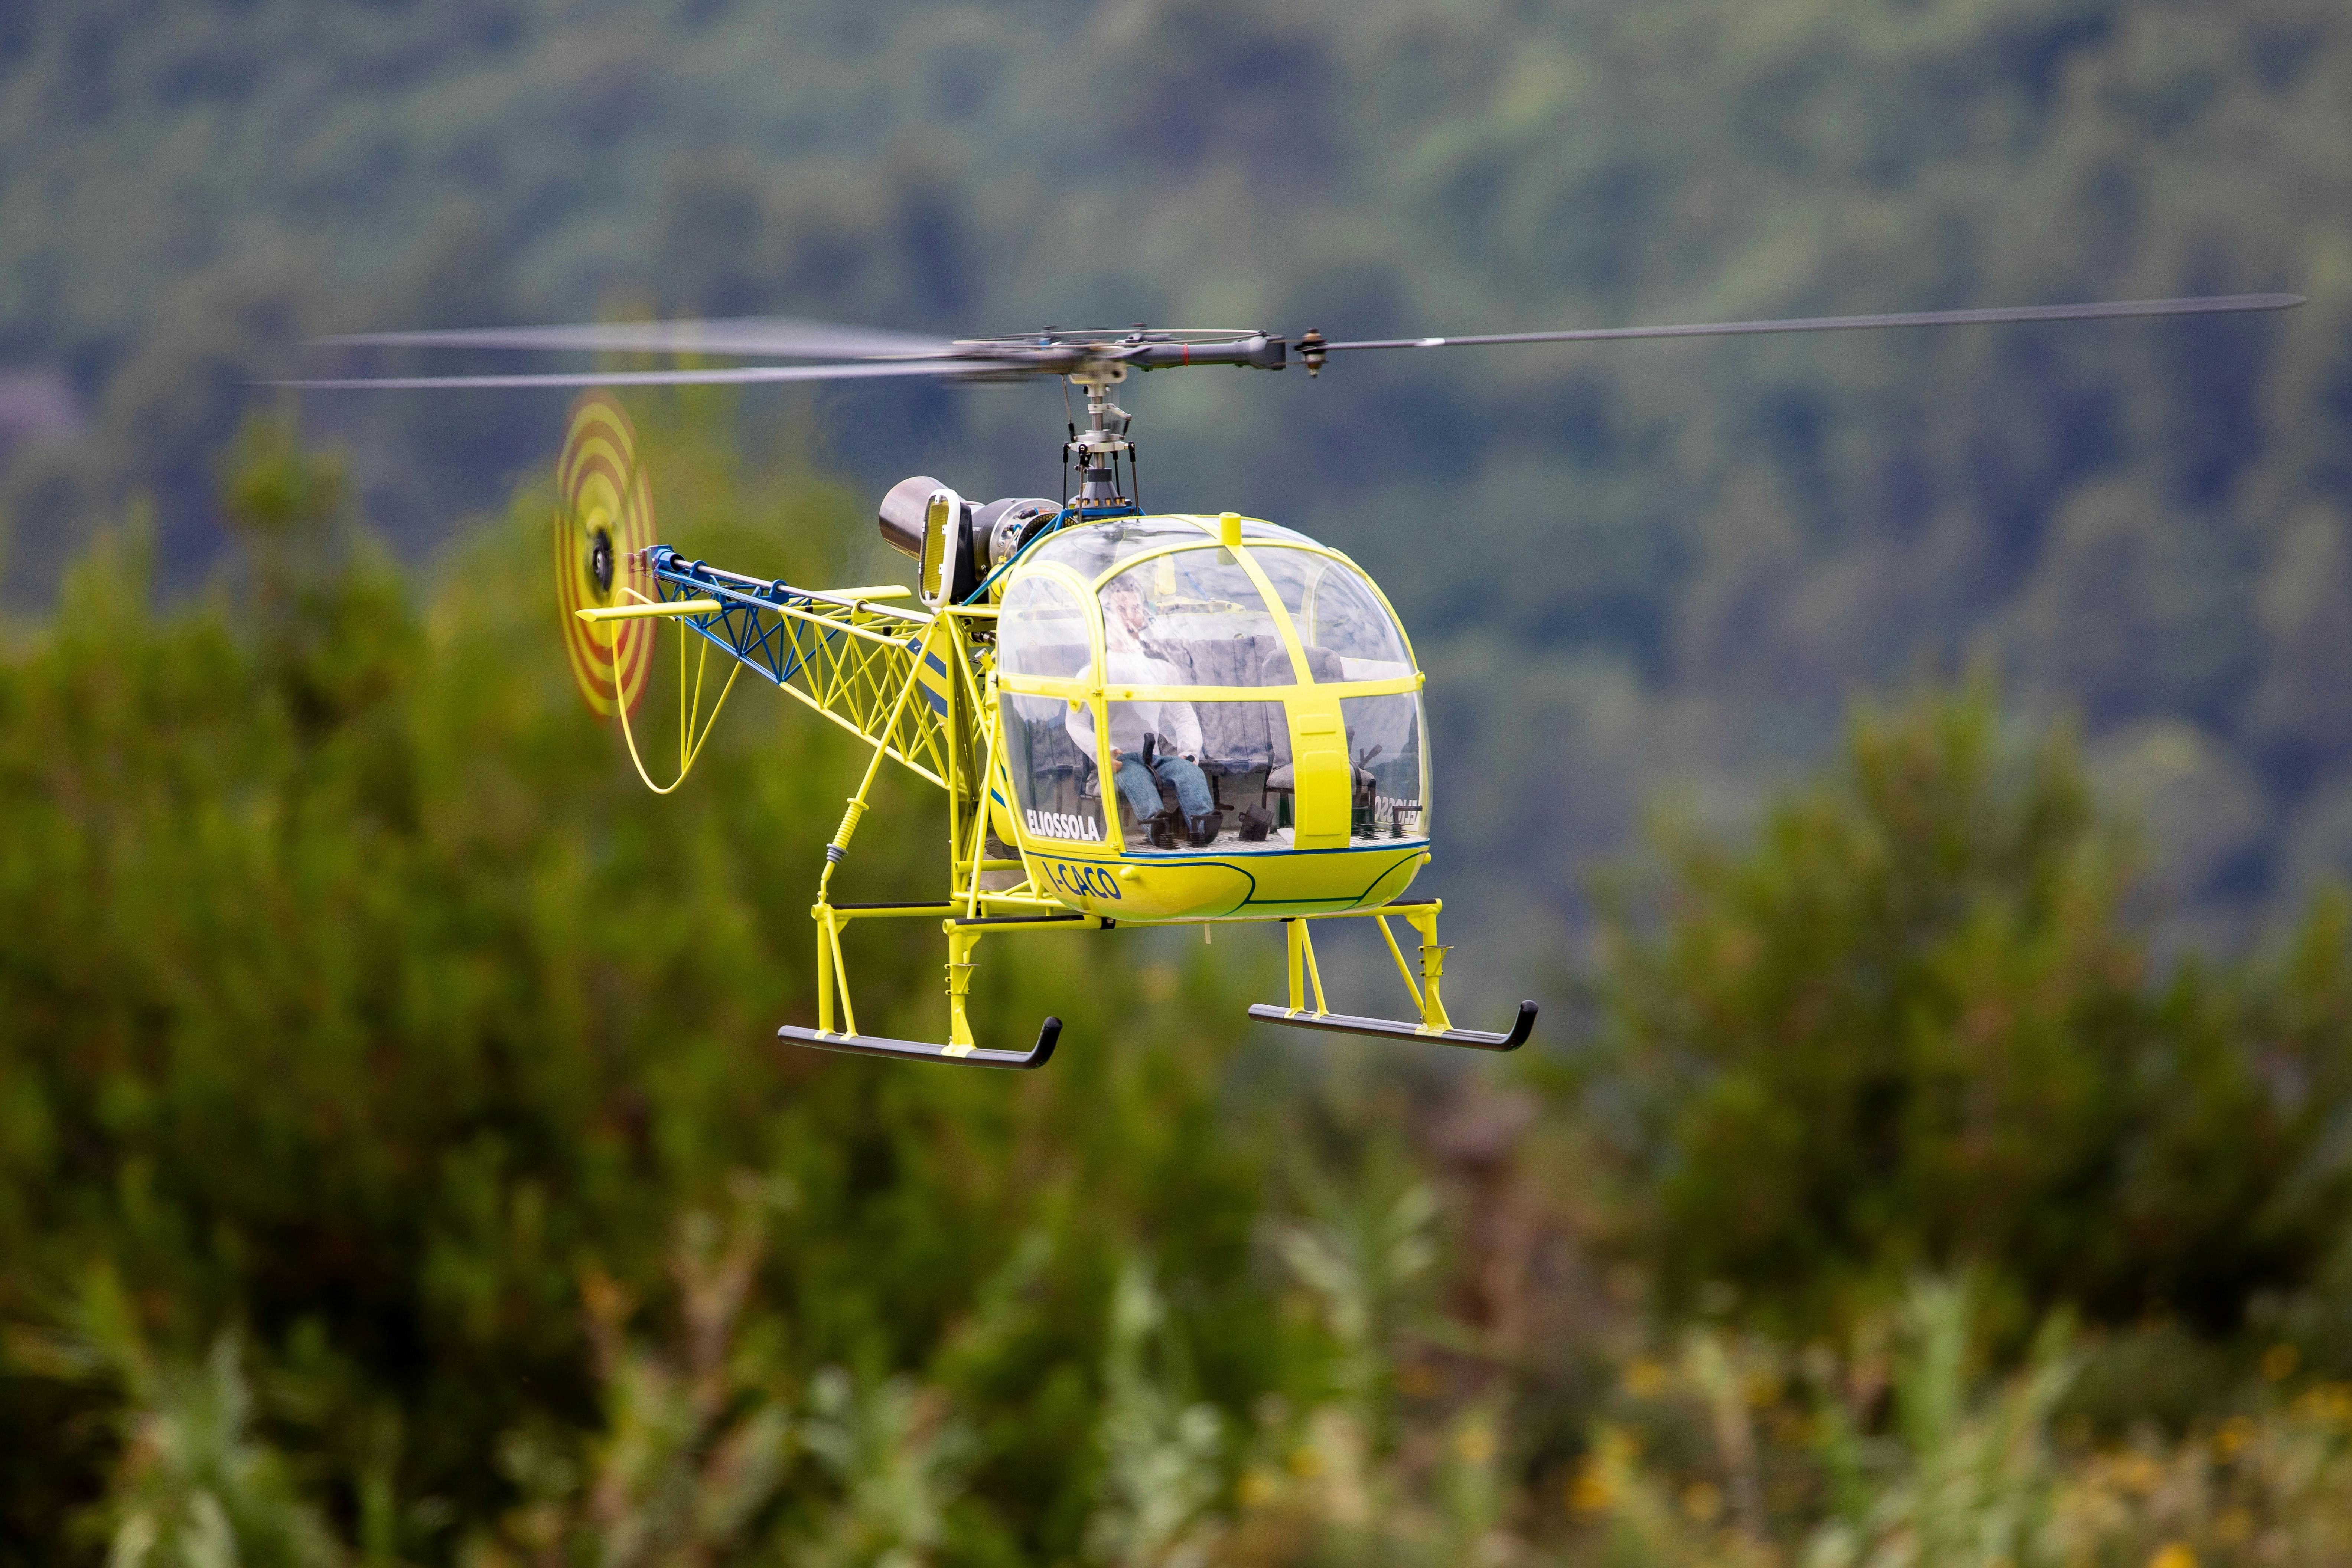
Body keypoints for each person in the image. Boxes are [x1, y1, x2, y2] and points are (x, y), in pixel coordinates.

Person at [1068, 575, 1216, 836]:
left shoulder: (1163, 670)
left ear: (1144, 614)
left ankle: (1204, 825)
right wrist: (1103, 753)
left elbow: (1184, 716)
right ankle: (1156, 827)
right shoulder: (1091, 672)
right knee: (1135, 777)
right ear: (1105, 617)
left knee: (1188, 772)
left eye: (1135, 609)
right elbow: (1076, 723)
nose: (1129, 617)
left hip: (1155, 757)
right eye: (1120, 609)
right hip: (1119, 762)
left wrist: (1190, 752)